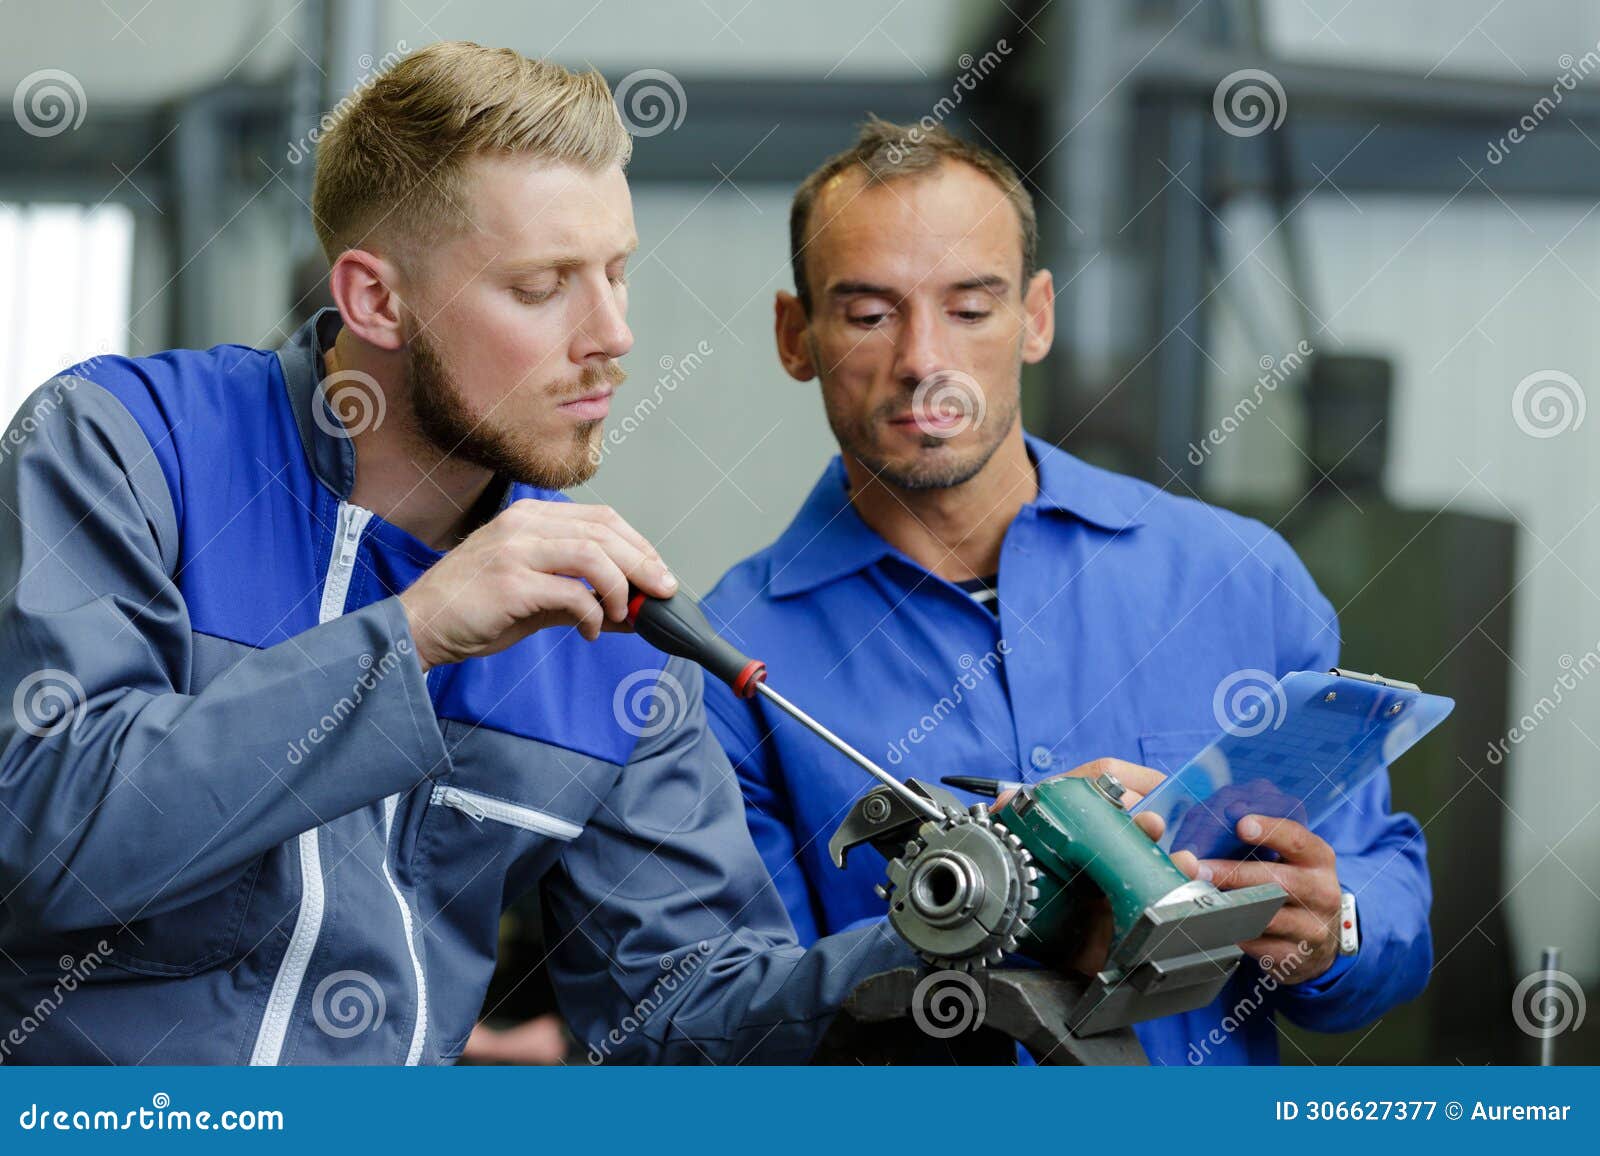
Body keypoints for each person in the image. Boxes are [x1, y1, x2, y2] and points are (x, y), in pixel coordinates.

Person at [0, 42, 935, 1065]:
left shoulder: (607, 626)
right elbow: (44, 843)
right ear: (374, 301)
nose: (614, 334)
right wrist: (415, 633)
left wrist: (948, 947)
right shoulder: (124, 449)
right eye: (543, 288)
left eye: (617, 272)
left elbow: (680, 1016)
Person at [701, 119, 1433, 1065]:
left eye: (971, 307)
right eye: (871, 313)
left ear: (1037, 317)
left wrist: (1336, 929)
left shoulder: (1236, 580)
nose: (925, 359)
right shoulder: (725, 660)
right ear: (796, 336)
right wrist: (992, 907)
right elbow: (721, 1023)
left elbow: (1390, 884)